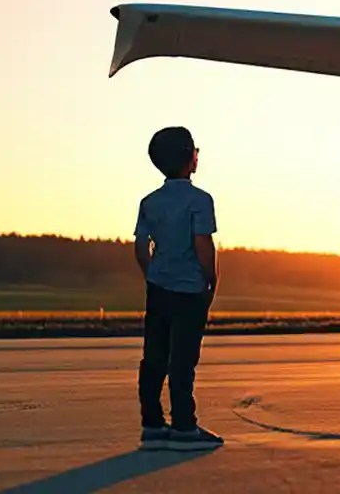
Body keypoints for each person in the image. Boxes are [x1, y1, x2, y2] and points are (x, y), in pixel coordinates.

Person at [134, 126, 224, 451]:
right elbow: (203, 243)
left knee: (154, 356)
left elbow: (141, 246)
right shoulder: (200, 200)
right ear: (191, 158)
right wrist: (210, 278)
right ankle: (185, 426)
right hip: (189, 290)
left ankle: (152, 423)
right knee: (183, 360)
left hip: (158, 288)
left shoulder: (150, 202)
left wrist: (152, 274)